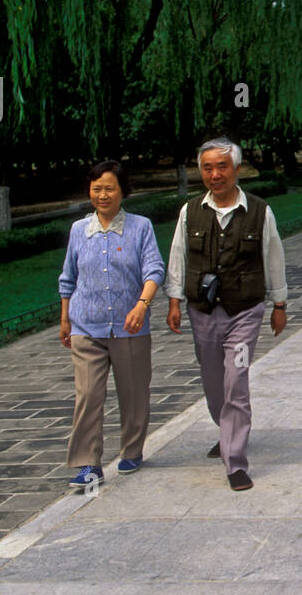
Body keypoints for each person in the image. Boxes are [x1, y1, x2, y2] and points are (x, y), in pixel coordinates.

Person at [165, 138, 287, 491]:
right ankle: (226, 429)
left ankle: (235, 460)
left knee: (236, 379)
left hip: (244, 311)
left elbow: (273, 258)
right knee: (213, 380)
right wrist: (174, 300)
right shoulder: (190, 211)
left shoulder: (260, 211)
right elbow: (178, 256)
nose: (215, 175)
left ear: (237, 169)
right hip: (202, 311)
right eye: (208, 168)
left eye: (222, 167)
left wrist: (280, 305)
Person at [58, 161, 165, 490]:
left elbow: (154, 270)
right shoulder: (79, 230)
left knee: (133, 394)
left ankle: (131, 450)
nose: (102, 195)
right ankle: (88, 464)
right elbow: (68, 278)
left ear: (123, 191)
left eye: (109, 189)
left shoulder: (140, 227)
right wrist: (65, 318)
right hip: (85, 327)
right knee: (88, 396)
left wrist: (142, 305)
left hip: (129, 327)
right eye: (96, 189)